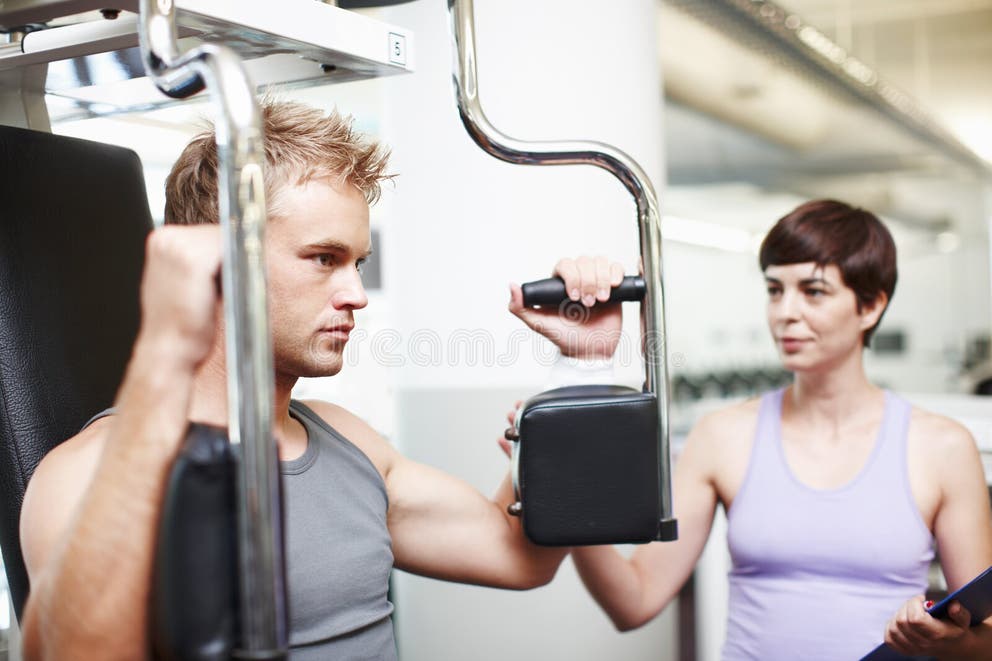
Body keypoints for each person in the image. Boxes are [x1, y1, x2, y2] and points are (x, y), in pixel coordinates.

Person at [16, 101, 625, 660]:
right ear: (219, 259)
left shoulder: (350, 443)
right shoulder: (89, 473)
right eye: (324, 259)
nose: (356, 294)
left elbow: (517, 554)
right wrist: (161, 360)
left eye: (356, 263)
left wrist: (585, 368)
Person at [555, 200, 992, 659]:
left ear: (870, 306)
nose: (785, 312)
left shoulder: (941, 448)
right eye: (774, 290)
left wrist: (953, 641)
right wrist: (567, 501)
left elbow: (986, 639)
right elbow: (635, 599)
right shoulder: (722, 436)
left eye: (814, 291)